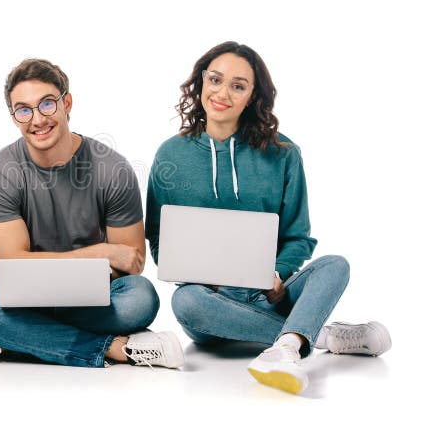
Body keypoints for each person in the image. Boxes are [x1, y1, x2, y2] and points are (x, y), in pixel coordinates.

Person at [145, 42, 391, 394]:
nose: (222, 93)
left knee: (336, 264)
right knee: (184, 301)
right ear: (200, 82)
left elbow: (299, 236)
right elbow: (158, 238)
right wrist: (195, 274)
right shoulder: (170, 153)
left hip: (271, 293)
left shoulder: (283, 153)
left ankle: (288, 345)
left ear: (252, 96)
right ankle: (318, 335)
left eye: (238, 85)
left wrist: (277, 275)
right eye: (215, 79)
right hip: (209, 304)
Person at [0, 58, 184, 369]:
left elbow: (132, 262)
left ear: (67, 103)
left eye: (47, 104)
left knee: (141, 298)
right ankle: (110, 349)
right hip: (28, 299)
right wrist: (99, 253)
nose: (37, 119)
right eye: (23, 110)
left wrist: (82, 269)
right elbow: (11, 264)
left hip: (92, 299)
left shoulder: (113, 168)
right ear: (14, 117)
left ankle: (4, 341)